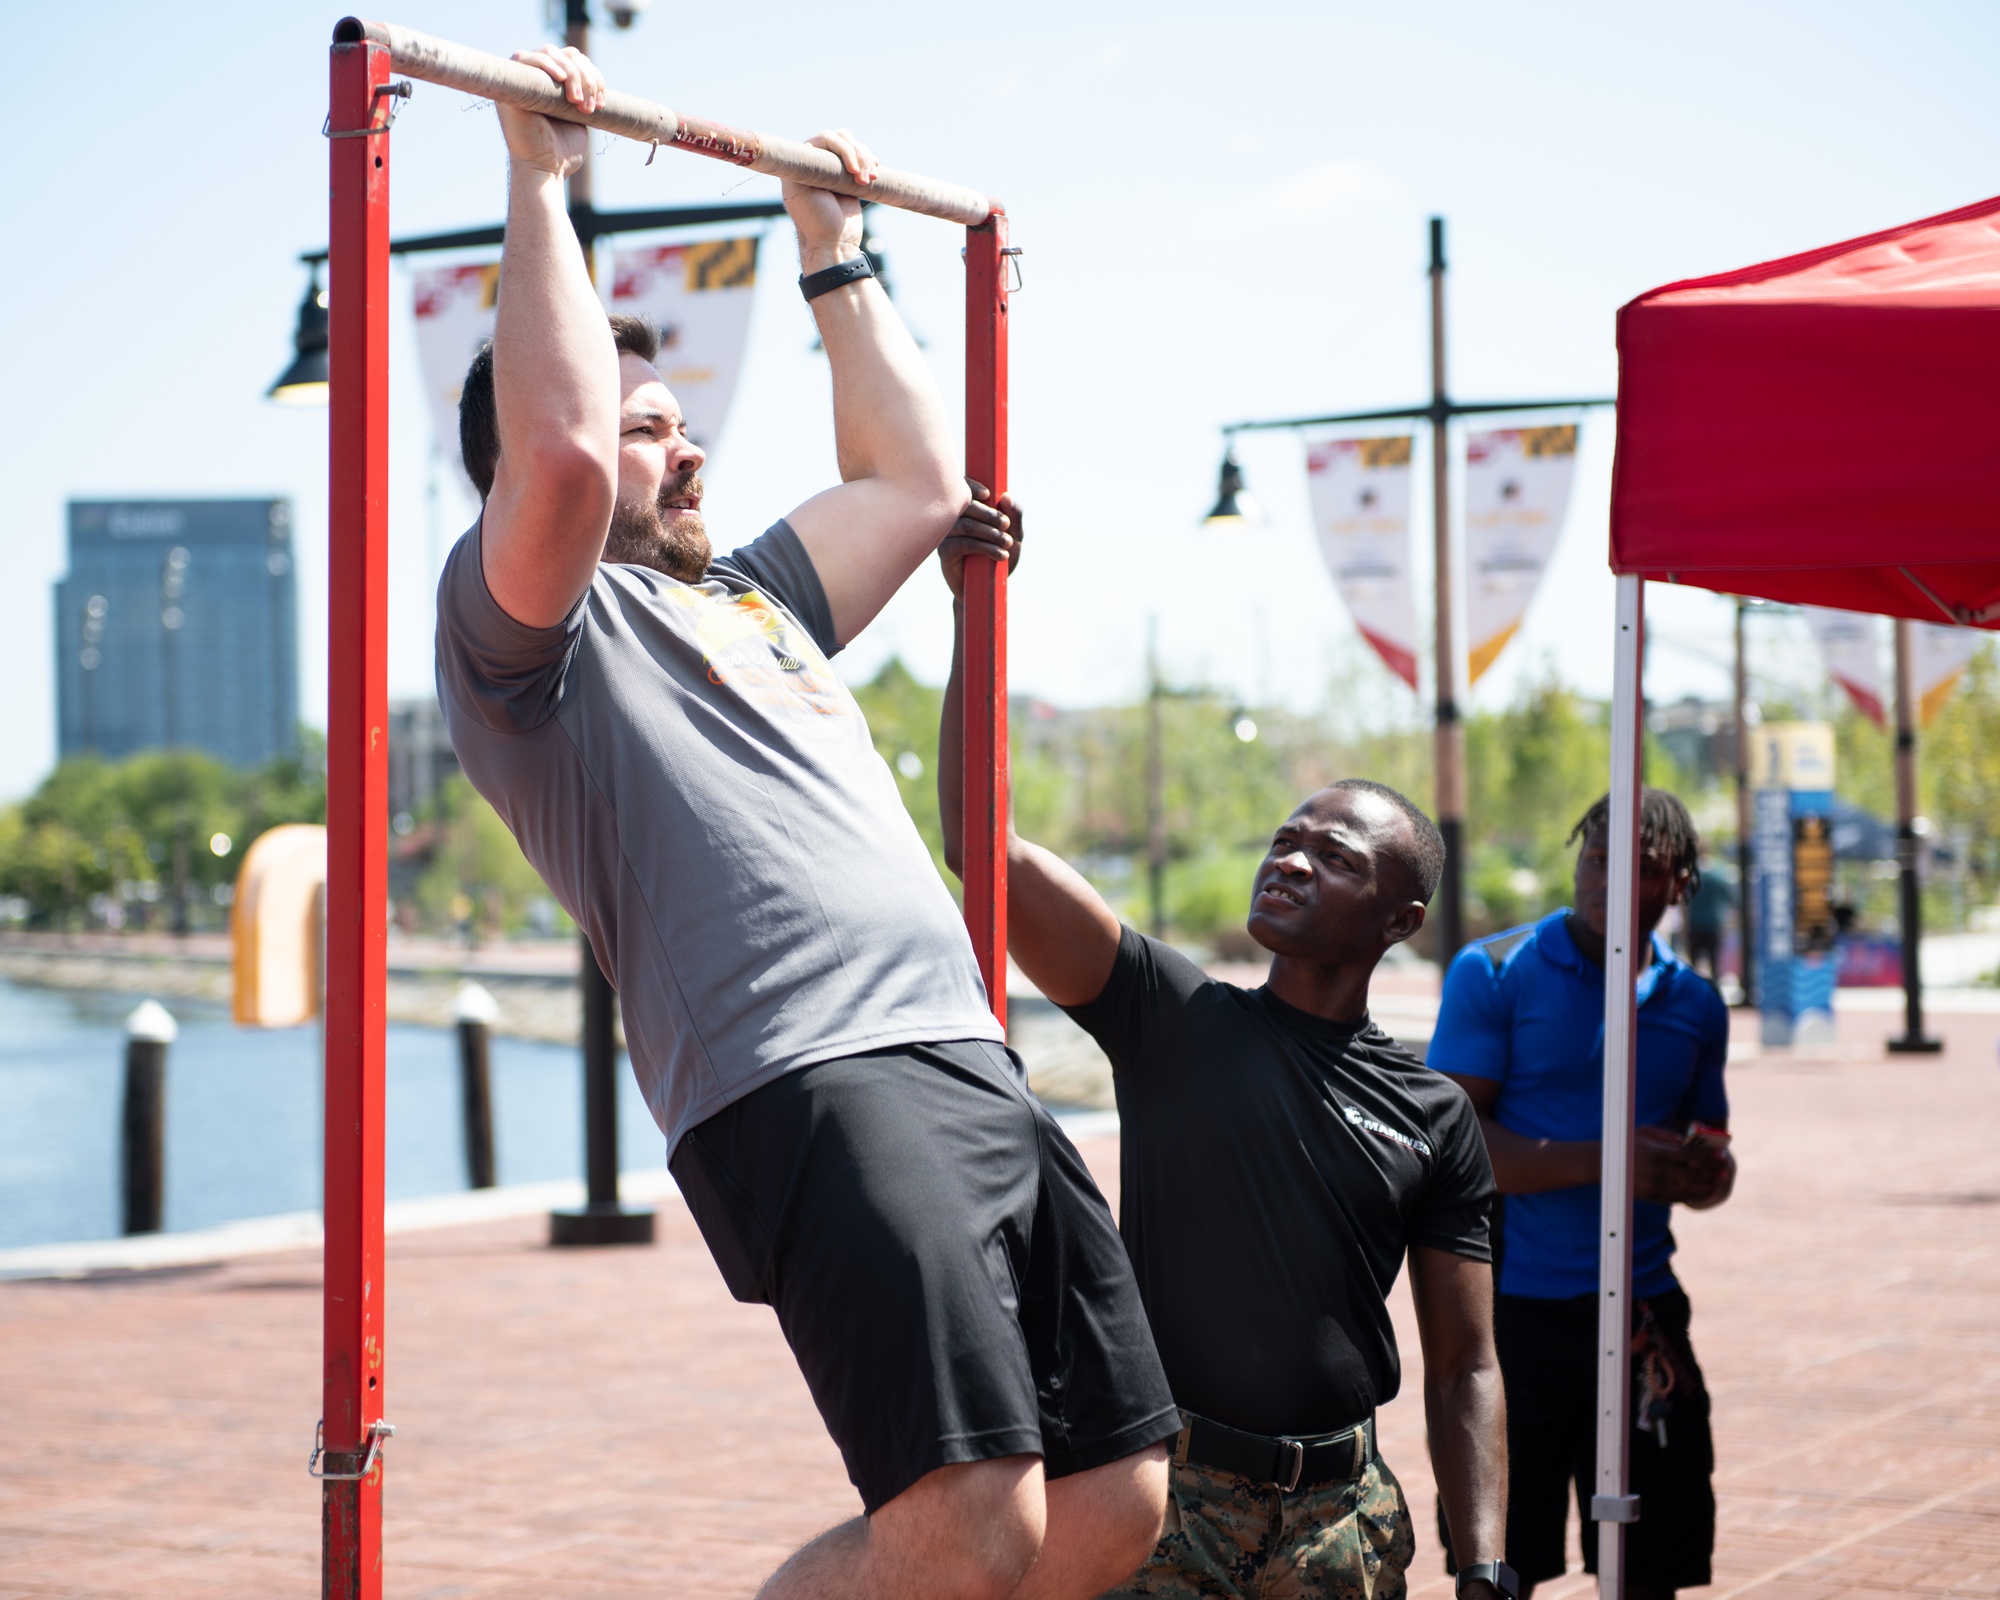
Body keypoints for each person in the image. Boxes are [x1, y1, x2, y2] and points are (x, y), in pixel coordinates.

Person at [432, 47, 1179, 1600]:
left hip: (969, 1056)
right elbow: (561, 457)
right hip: (807, 1077)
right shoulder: (529, 644)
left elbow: (916, 479)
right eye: (654, 424)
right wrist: (539, 176)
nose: (685, 442)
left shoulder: (751, 601)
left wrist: (830, 244)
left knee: (1115, 1506)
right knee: (970, 1521)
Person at [934, 492, 1515, 1600]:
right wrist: (974, 610)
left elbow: (1466, 1363)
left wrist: (1481, 1557)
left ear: (1399, 919)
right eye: (1283, 840)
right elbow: (982, 848)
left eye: (1333, 856)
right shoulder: (1173, 1015)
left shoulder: (1432, 1113)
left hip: (1341, 1522)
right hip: (1165, 1500)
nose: (1289, 860)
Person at [1428, 790, 1737, 1600]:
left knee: (1650, 1562)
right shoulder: (1495, 971)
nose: (1609, 879)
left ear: (1679, 885)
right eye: (1596, 858)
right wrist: (1610, 1161)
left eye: (1641, 865)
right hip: (1517, 1316)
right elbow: (1457, 1151)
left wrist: (1707, 1177)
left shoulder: (1695, 1005)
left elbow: (1709, 1154)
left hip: (1642, 1312)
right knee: (1497, 1564)